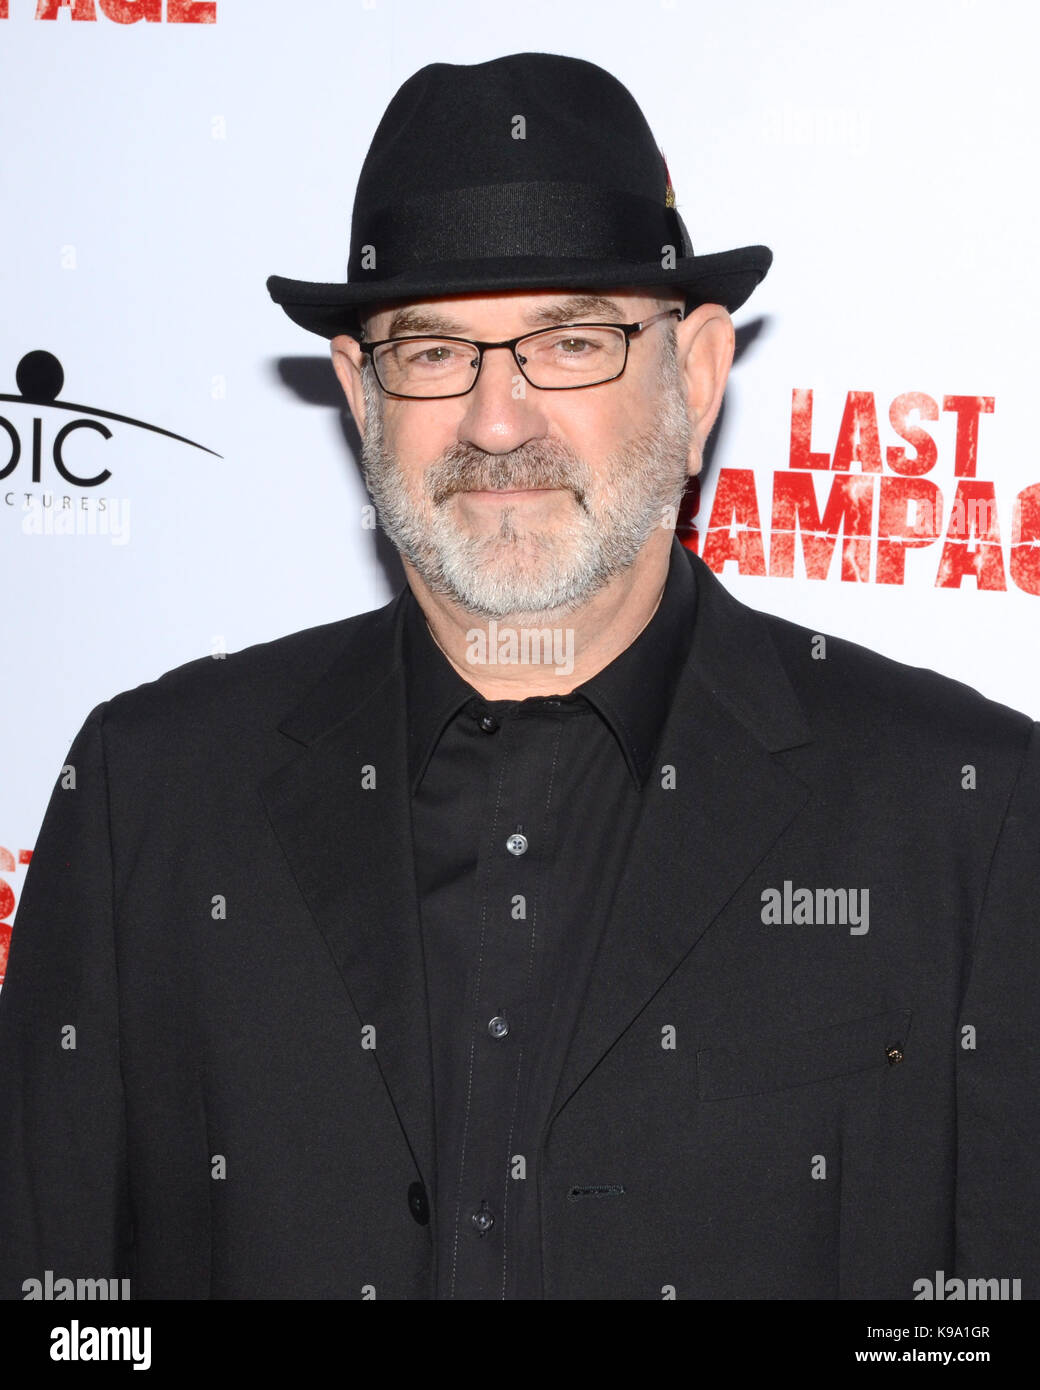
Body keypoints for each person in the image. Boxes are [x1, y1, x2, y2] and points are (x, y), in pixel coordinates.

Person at [1, 51, 1037, 1302]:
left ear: (696, 376)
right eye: (433, 352)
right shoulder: (147, 796)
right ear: (357, 393)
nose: (497, 421)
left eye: (569, 341)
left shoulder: (967, 814)